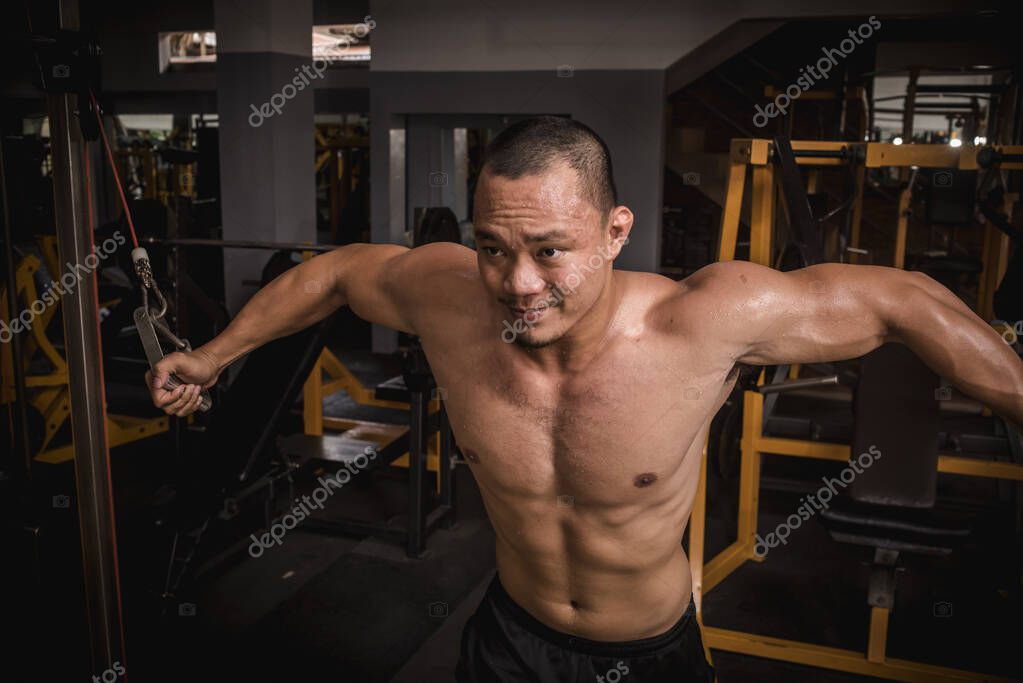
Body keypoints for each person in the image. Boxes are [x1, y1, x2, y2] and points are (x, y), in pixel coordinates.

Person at [146, 116, 1023, 682]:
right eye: (492, 247)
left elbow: (902, 300)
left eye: (550, 250)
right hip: (508, 640)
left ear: (615, 232)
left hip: (648, 655)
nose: (515, 282)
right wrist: (214, 356)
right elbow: (333, 274)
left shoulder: (704, 321)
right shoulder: (448, 299)